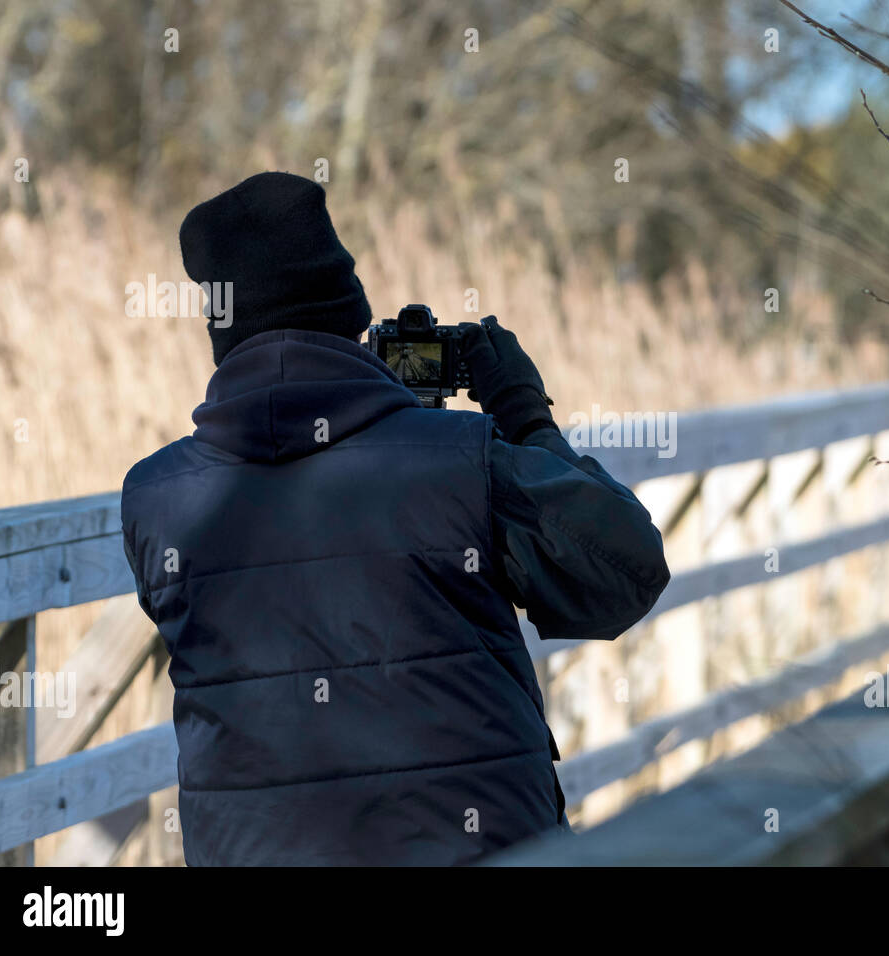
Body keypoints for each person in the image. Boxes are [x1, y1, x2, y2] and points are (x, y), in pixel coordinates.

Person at [120, 172, 670, 865]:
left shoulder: (154, 498)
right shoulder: (463, 463)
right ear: (351, 317)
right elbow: (625, 573)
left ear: (220, 329)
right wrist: (524, 415)